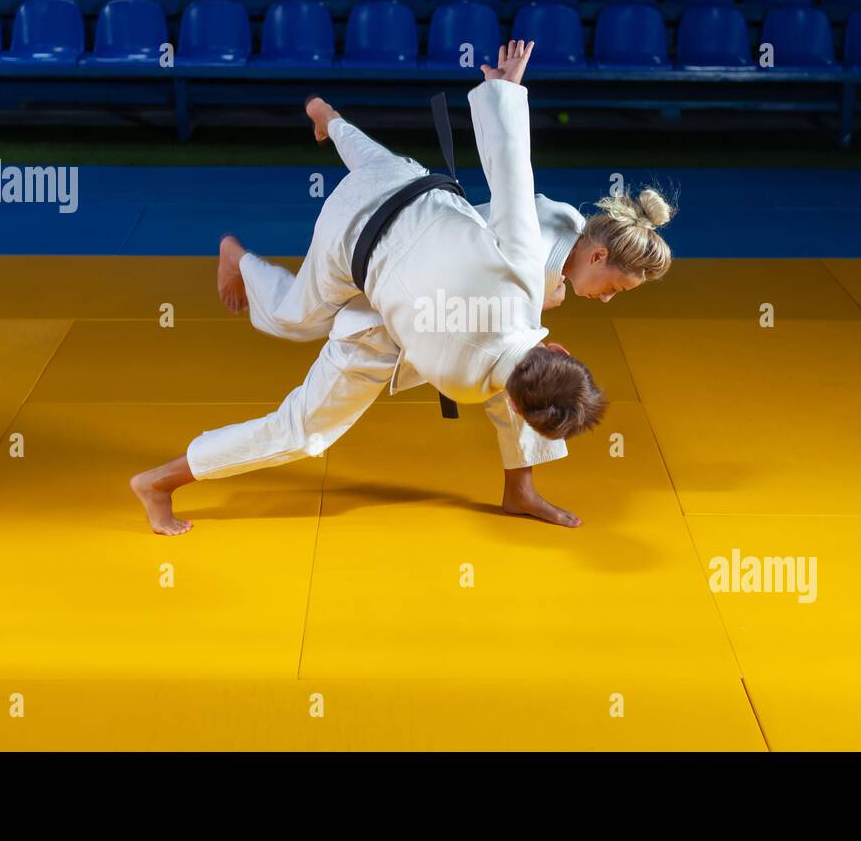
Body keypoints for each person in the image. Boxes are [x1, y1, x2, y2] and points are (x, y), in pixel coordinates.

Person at [132, 40, 607, 535]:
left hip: (415, 184)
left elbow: (512, 173)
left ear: (560, 345)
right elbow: (482, 363)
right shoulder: (466, 382)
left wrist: (504, 92)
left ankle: (328, 117)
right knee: (298, 348)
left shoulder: (525, 279)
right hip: (353, 235)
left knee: (376, 165)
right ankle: (160, 477)